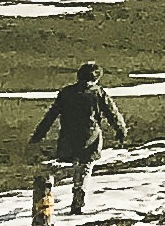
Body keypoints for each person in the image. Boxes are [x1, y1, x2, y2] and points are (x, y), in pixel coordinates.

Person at [29, 63, 128, 213]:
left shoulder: (66, 93)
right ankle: (78, 194)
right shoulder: (98, 93)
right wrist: (121, 131)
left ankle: (45, 194)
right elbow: (112, 114)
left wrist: (39, 134)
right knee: (85, 167)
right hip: (91, 137)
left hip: (68, 137)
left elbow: (51, 116)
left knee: (67, 166)